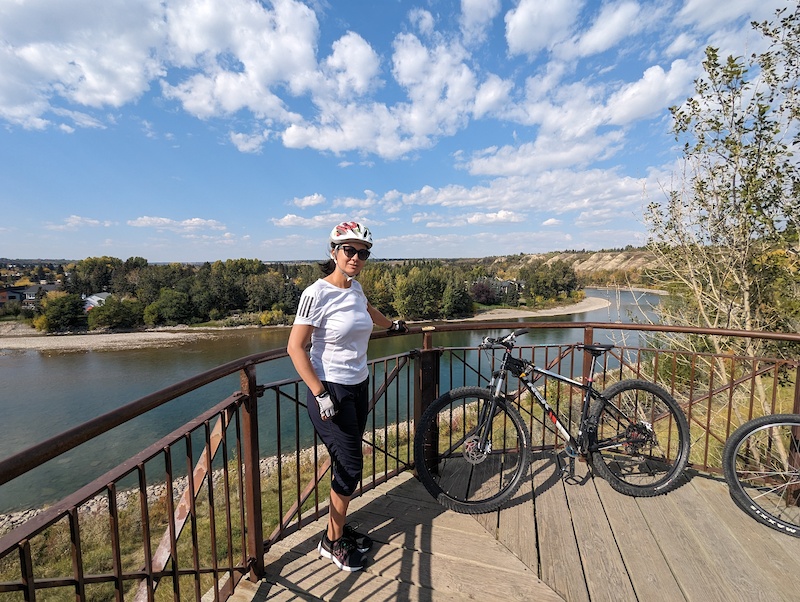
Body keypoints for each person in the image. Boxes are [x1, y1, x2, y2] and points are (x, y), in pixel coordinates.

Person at [287, 221, 407, 572]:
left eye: (363, 252)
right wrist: (320, 392)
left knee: (345, 463)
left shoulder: (355, 290)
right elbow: (295, 348)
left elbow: (370, 314)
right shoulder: (316, 293)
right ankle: (331, 542)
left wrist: (394, 326)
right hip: (330, 390)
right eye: (349, 250)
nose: (356, 257)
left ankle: (336, 528)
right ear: (333, 252)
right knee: (352, 466)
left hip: (358, 385)